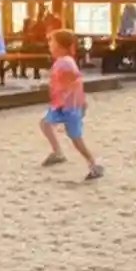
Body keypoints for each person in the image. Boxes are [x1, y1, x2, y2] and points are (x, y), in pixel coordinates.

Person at [39, 29, 104, 180]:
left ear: (60, 46)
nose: (49, 45)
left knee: (76, 138)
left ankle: (94, 164)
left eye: (52, 42)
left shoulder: (65, 62)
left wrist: (78, 100)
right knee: (44, 123)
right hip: (62, 105)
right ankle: (58, 152)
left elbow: (74, 79)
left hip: (69, 106)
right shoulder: (62, 61)